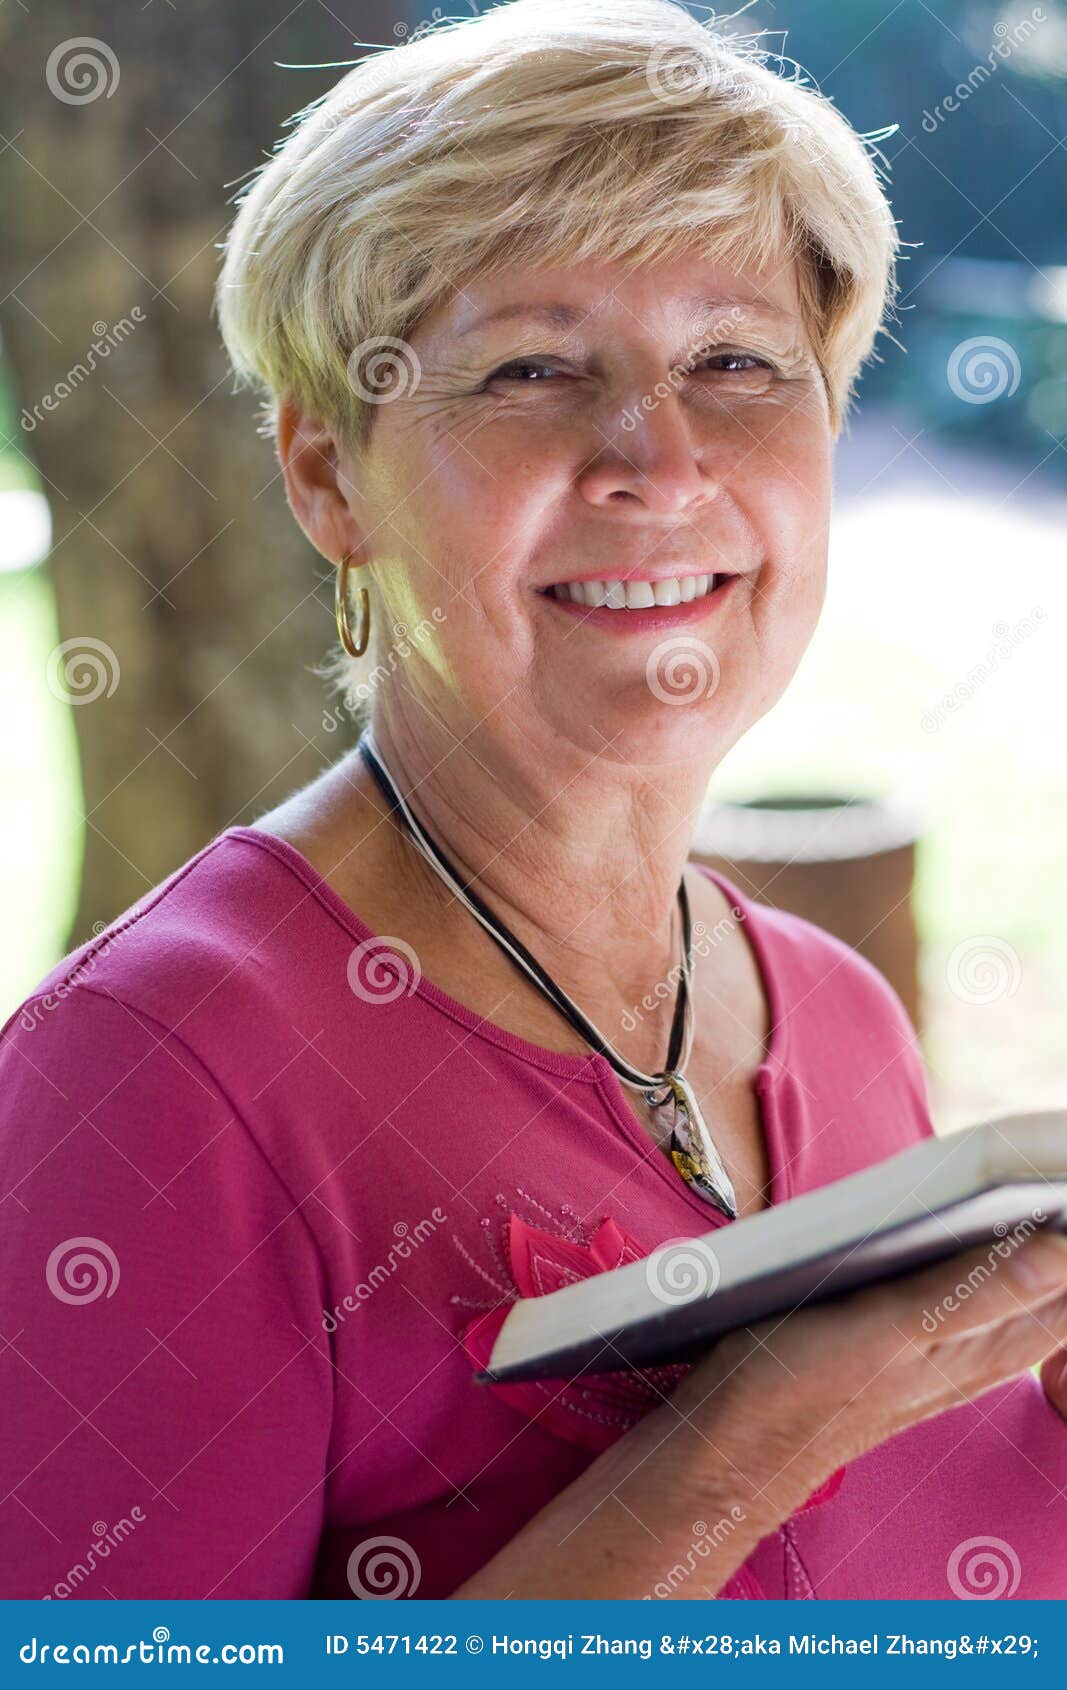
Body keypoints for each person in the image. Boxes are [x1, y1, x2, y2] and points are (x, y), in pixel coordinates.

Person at [3, 0, 1067, 1602]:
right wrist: (747, 1440)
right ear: (326, 475)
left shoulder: (840, 1019)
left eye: (735, 360)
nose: (659, 456)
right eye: (531, 367)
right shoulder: (155, 1076)